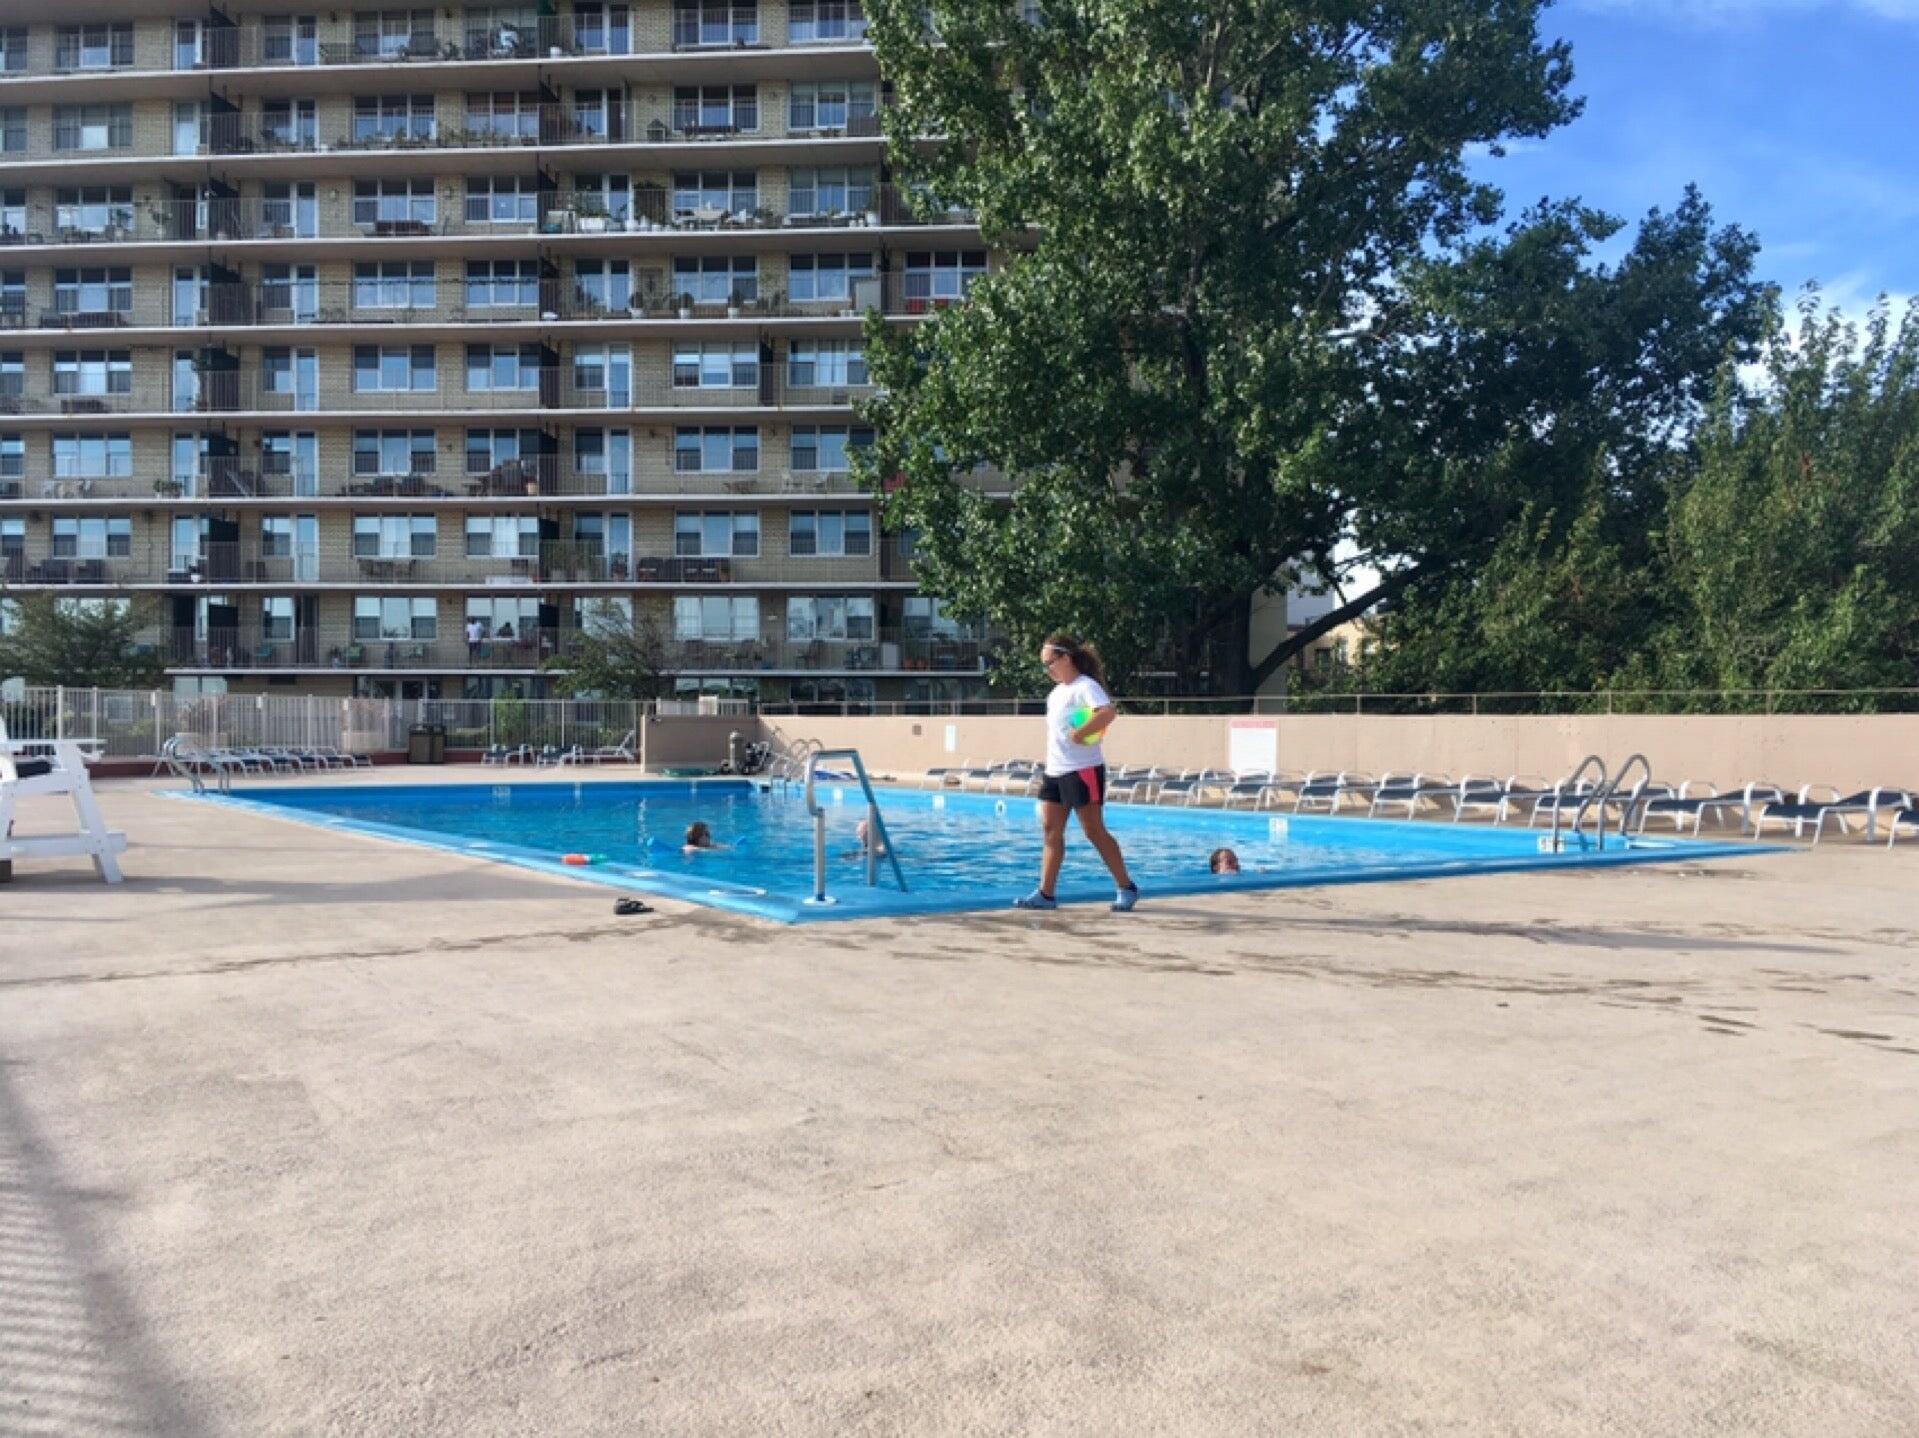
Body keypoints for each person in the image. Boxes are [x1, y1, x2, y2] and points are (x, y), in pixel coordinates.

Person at [1015, 634, 1139, 912]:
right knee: (1050, 830)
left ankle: (1126, 886)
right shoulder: (1055, 694)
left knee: (1093, 830)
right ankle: (1046, 894)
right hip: (1055, 771)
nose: (1047, 669)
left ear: (1066, 658)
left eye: (1050, 663)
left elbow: (1107, 713)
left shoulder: (1085, 686)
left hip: (1083, 770)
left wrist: (1081, 732)